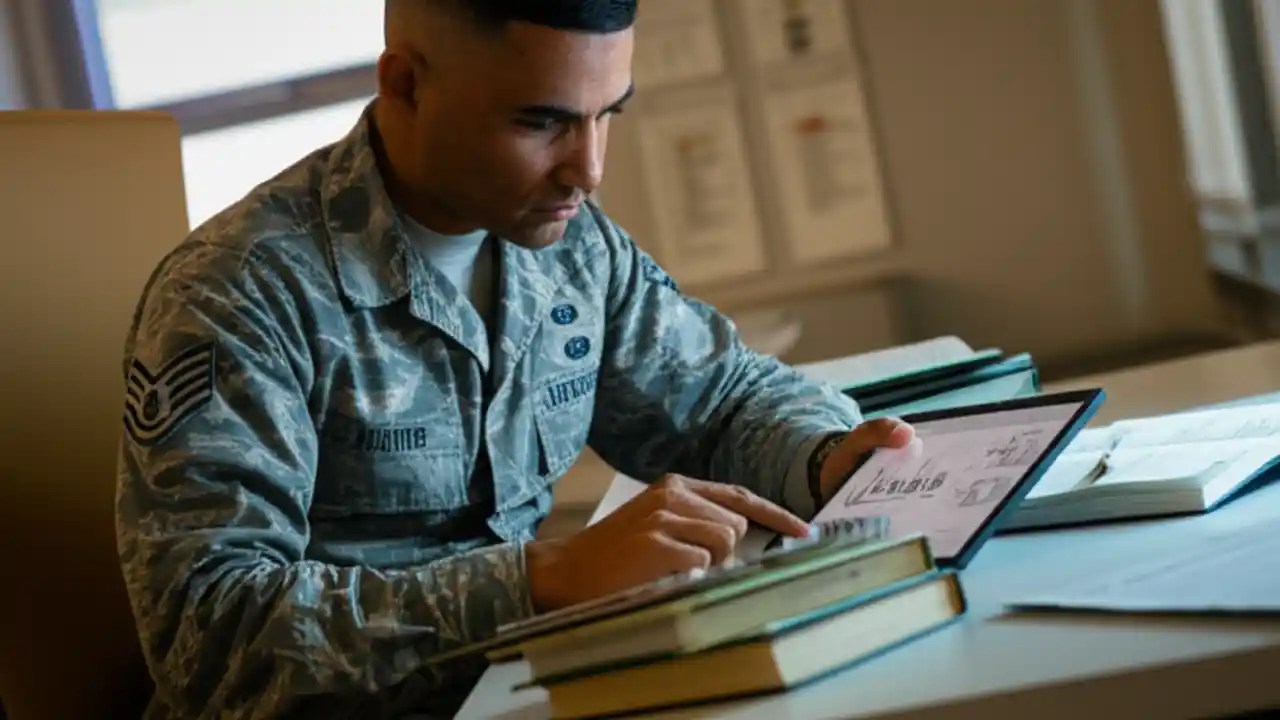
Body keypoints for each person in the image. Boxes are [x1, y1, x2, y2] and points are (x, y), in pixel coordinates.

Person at [115, 1, 915, 717]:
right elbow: (210, 640)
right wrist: (542, 580)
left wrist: (823, 458)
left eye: (607, 115)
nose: (588, 170)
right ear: (405, 85)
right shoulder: (238, 293)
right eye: (541, 123)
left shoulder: (573, 247)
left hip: (539, 690)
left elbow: (723, 402)